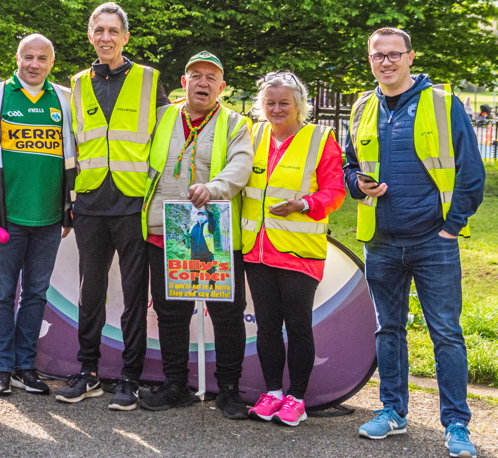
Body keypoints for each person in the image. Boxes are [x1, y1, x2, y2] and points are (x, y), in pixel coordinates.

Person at [345, 28, 484, 458]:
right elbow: (350, 166)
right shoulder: (362, 107)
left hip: (433, 241)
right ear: (370, 60)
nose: (385, 62)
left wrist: (451, 225)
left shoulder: (443, 104)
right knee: (389, 329)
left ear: (409, 57)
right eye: (377, 56)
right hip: (381, 241)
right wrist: (358, 184)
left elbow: (470, 173)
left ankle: (456, 424)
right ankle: (392, 411)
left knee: (446, 332)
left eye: (393, 55)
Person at [56, 2, 168, 411]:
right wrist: (69, 198)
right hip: (89, 202)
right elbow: (72, 145)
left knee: (135, 296)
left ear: (125, 37)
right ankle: (87, 373)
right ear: (90, 36)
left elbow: (165, 144)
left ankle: (130, 379)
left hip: (134, 203)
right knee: (92, 291)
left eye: (113, 31)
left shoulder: (149, 80)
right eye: (98, 30)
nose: (105, 37)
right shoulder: (78, 83)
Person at [138, 51, 252, 418]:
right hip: (165, 228)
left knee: (226, 314)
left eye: (211, 78)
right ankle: (176, 385)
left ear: (222, 87)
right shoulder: (161, 117)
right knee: (171, 312)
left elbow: (240, 165)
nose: (203, 83)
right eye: (196, 76)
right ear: (184, 83)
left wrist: (215, 187)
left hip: (214, 231)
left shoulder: (236, 123)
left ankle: (229, 390)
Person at [0, 34, 75, 397]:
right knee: (1, 294)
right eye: (28, 57)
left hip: (48, 218)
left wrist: (68, 210)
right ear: (17, 58)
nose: (34, 64)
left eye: (42, 58)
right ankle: (1, 368)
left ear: (51, 63)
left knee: (36, 294)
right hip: (6, 216)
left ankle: (25, 367)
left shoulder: (65, 99)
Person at [241, 71, 345, 426]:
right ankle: (272, 393)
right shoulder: (252, 135)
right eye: (269, 102)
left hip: (299, 250)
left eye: (284, 102)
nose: (276, 108)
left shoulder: (320, 138)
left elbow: (336, 190)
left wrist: (303, 204)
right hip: (256, 250)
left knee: (298, 326)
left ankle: (296, 398)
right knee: (267, 326)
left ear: (300, 105)